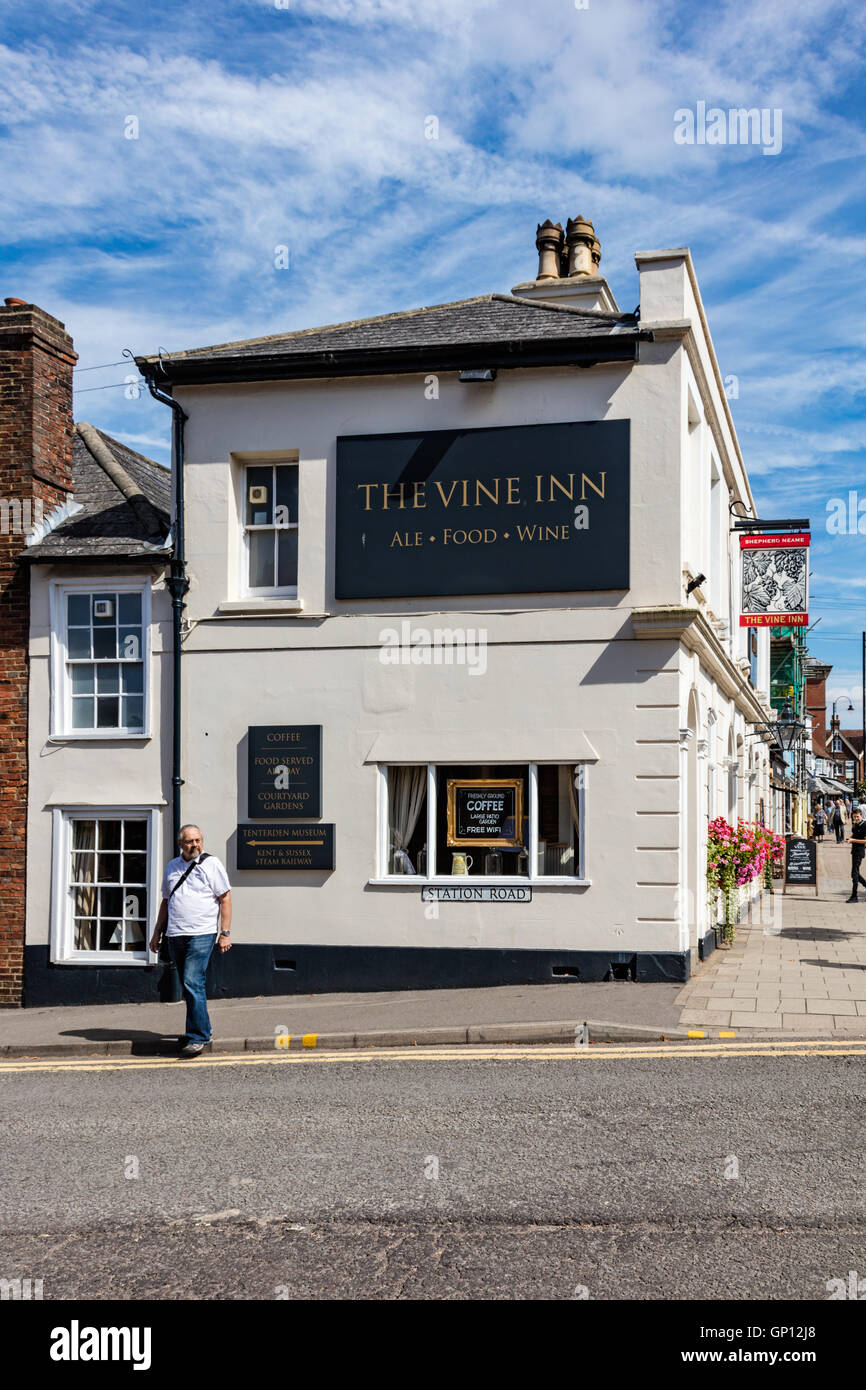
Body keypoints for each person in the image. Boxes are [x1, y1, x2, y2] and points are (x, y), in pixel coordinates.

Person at [150, 824, 232, 1058]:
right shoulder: (172, 867)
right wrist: (158, 932)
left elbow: (225, 898)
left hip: (202, 933)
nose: (194, 845)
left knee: (192, 980)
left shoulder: (211, 864)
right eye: (189, 841)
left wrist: (224, 933)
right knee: (190, 985)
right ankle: (199, 1029)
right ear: (180, 844)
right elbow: (166, 901)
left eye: (198, 840)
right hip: (176, 934)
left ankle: (199, 1037)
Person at [846, 808, 866, 902]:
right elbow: (854, 835)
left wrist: (853, 840)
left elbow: (865, 841)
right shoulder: (855, 825)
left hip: (860, 851)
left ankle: (854, 896)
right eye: (854, 817)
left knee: (854, 873)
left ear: (861, 816)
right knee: (855, 873)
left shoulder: (865, 825)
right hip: (854, 851)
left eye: (857, 817)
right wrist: (849, 839)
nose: (856, 818)